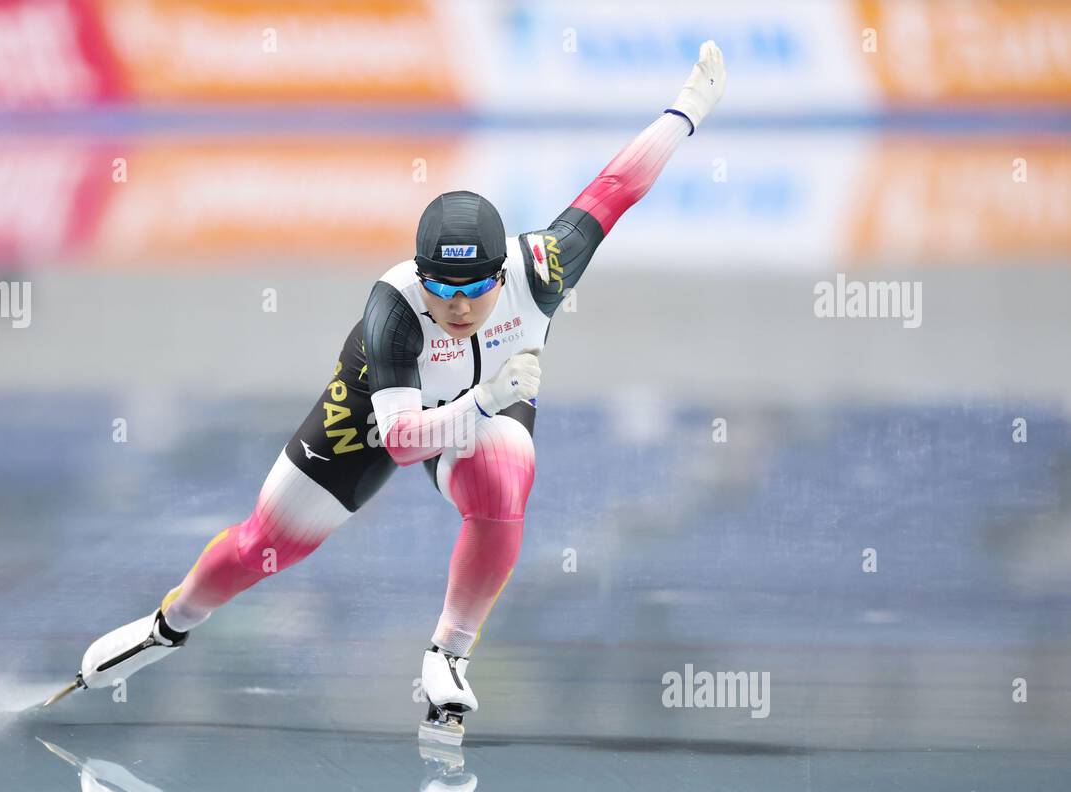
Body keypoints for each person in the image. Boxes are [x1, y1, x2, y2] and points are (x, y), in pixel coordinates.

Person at [50, 42, 728, 744]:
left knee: (504, 476)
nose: (459, 305)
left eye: (475, 289)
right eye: (442, 287)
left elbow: (616, 187)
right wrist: (488, 397)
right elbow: (402, 441)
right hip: (381, 409)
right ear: (419, 277)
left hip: (486, 402)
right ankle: (170, 624)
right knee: (267, 546)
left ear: (504, 275)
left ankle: (448, 655)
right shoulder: (394, 309)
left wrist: (685, 113)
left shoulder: (544, 269)